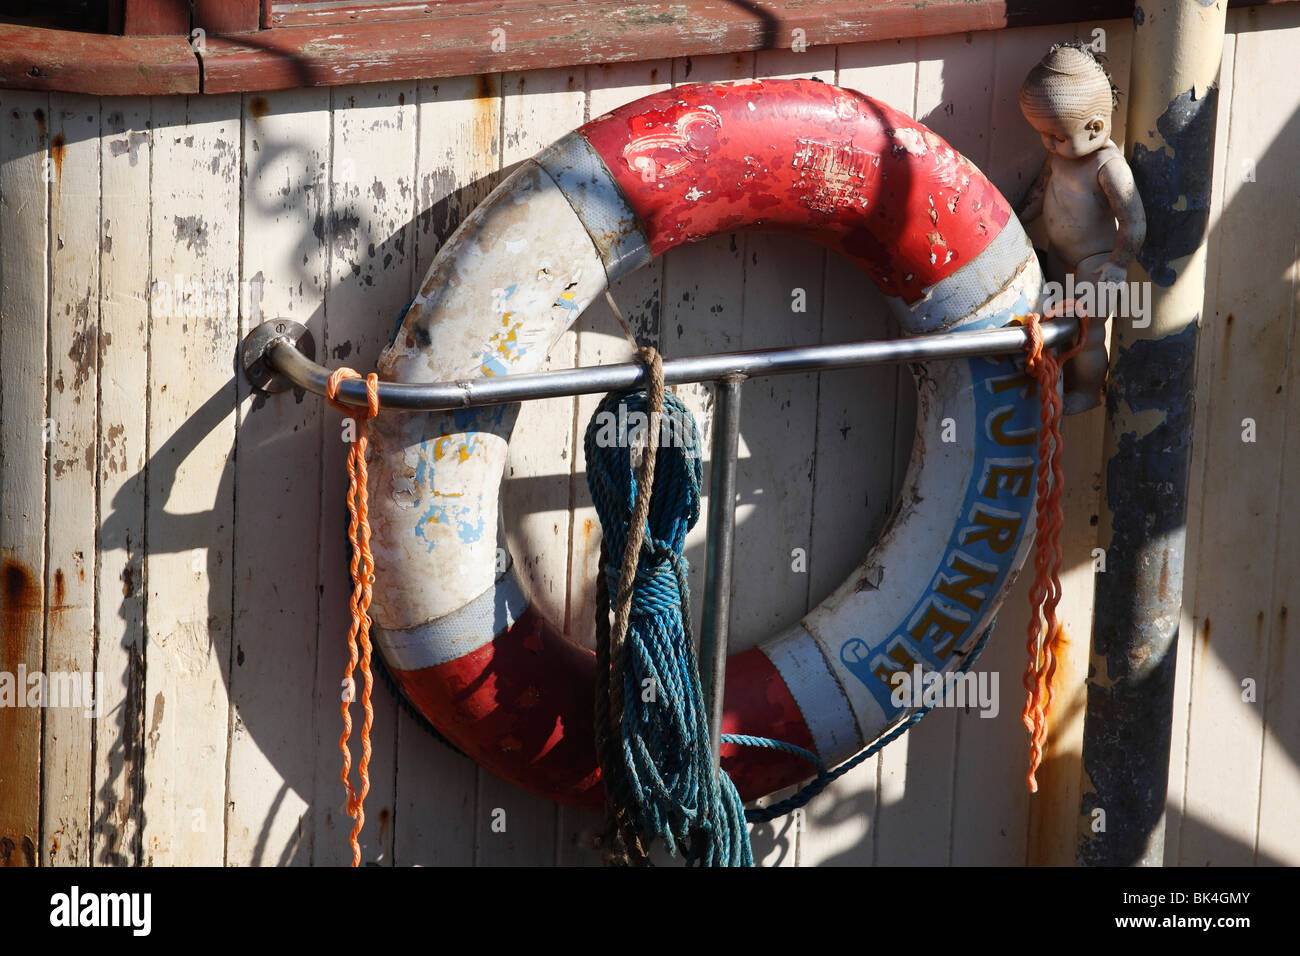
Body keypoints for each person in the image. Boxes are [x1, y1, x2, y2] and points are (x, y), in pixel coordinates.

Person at [1017, 42, 1146, 414]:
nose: (1048, 143)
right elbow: (1039, 194)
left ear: (1095, 127)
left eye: (1056, 135)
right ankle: (1055, 381)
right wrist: (1012, 219)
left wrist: (1120, 263)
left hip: (1097, 261)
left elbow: (1134, 220)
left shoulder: (1108, 166)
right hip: (1059, 253)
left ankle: (1089, 390)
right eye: (1043, 134)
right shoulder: (1058, 156)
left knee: (1087, 332)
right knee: (1053, 321)